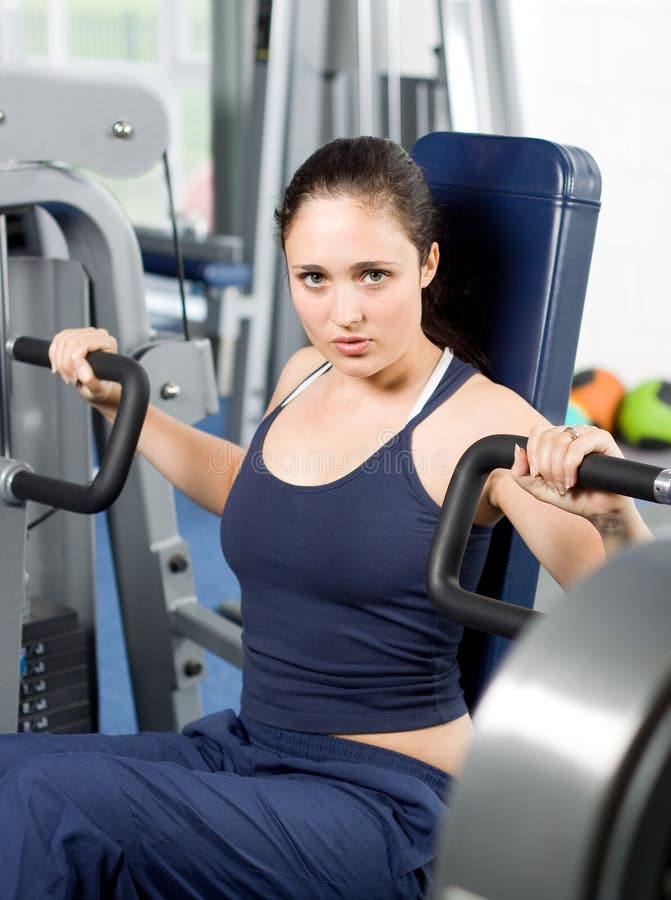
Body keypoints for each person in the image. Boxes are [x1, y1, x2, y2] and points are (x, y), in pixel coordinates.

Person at [0, 137, 651, 899]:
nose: (343, 313)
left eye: (372, 275)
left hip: (387, 804)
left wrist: (612, 517)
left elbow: (632, 620)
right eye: (313, 278)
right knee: (13, 768)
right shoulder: (306, 373)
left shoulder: (484, 426)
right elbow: (250, 485)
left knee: (53, 808)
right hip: (250, 750)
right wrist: (118, 402)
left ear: (426, 265)